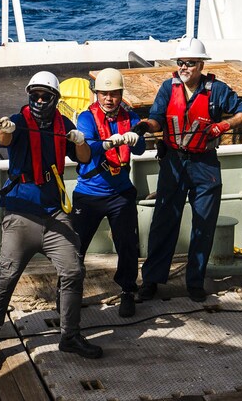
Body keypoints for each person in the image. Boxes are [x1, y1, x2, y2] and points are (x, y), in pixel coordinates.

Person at [0, 71, 100, 373]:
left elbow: (83, 158)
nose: (40, 100)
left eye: (46, 96)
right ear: (29, 96)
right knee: (5, 279)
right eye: (35, 95)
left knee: (73, 270)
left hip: (55, 213)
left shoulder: (64, 125)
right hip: (21, 214)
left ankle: (70, 336)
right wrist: (4, 129)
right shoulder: (16, 121)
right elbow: (4, 138)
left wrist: (80, 140)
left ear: (56, 99)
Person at [137, 38, 242, 303]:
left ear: (201, 64)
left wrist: (224, 126)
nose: (184, 67)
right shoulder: (168, 88)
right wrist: (144, 126)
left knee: (203, 224)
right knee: (164, 221)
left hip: (205, 164)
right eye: (180, 62)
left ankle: (195, 282)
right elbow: (157, 119)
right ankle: (151, 280)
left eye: (189, 63)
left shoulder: (218, 90)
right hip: (174, 162)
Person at [72, 68, 146, 318]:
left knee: (127, 245)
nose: (108, 99)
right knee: (76, 247)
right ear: (96, 94)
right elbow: (88, 146)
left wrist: (137, 139)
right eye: (103, 94)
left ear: (120, 94)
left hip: (121, 194)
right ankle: (69, 291)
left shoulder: (131, 118)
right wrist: (107, 143)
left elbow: (140, 149)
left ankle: (127, 291)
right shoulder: (86, 118)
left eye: (113, 94)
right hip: (89, 194)